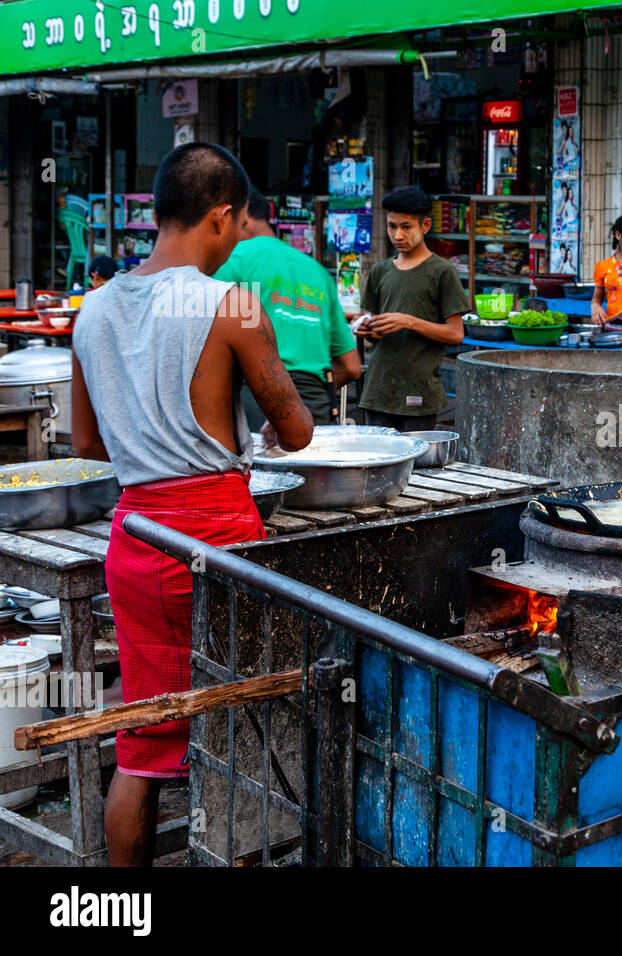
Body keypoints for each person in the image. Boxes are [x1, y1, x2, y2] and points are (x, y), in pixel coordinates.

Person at [70, 143, 313, 866]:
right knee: (238, 729)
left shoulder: (94, 308)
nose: (239, 238)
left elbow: (88, 441)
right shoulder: (230, 304)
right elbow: (297, 432)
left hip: (137, 541)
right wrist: (257, 422)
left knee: (144, 738)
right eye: (237, 225)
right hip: (216, 541)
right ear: (219, 215)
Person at [214, 190, 361, 427]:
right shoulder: (317, 271)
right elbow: (351, 367)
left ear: (239, 216)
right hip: (314, 404)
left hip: (254, 400)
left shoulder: (231, 260)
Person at [355, 186, 468, 432]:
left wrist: (409, 322)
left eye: (406, 227)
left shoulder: (442, 271)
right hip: (378, 389)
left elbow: (456, 334)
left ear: (425, 225)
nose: (397, 235)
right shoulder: (380, 271)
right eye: (391, 226)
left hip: (419, 390)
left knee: (415, 467)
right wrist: (367, 329)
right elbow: (375, 330)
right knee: (375, 464)